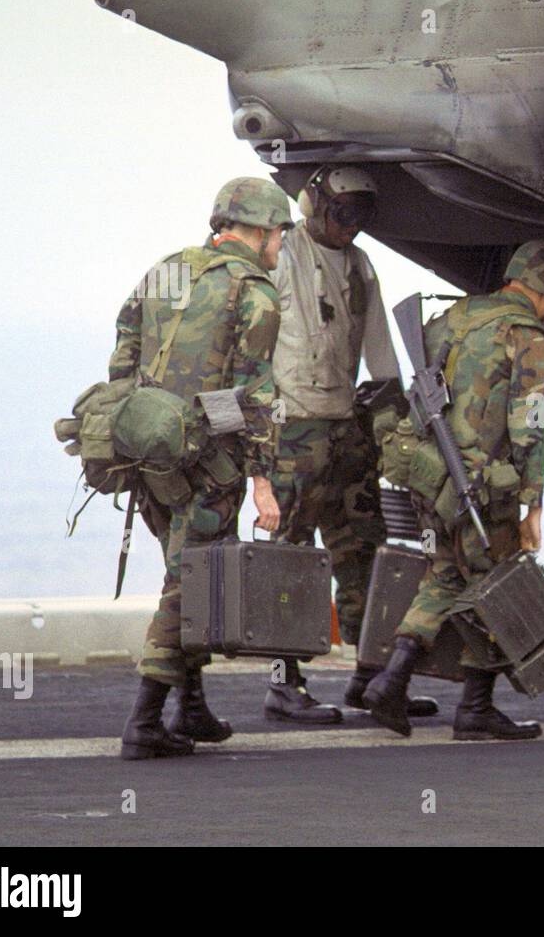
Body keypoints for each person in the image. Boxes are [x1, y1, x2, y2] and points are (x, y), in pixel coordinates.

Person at [363, 240, 544, 740]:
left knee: (443, 577)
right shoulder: (527, 336)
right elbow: (531, 428)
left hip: (428, 477)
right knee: (498, 589)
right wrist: (533, 506)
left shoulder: (452, 317)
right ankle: (476, 707)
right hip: (481, 490)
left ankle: (390, 682)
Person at [112, 177, 289, 759]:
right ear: (261, 232)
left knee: (182, 570)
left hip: (149, 452)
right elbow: (254, 391)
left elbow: (125, 349)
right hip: (210, 461)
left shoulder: (166, 268)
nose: (281, 246)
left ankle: (190, 709)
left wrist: (139, 423)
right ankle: (143, 722)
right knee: (189, 583)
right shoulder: (255, 291)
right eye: (280, 235)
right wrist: (264, 479)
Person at [263, 164, 436, 724]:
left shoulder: (360, 266)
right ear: (314, 203)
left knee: (365, 551)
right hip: (293, 430)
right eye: (342, 214)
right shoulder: (281, 256)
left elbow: (381, 355)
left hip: (348, 428)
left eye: (361, 217)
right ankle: (282, 684)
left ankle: (370, 674)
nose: (350, 227)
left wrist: (395, 428)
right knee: (290, 558)